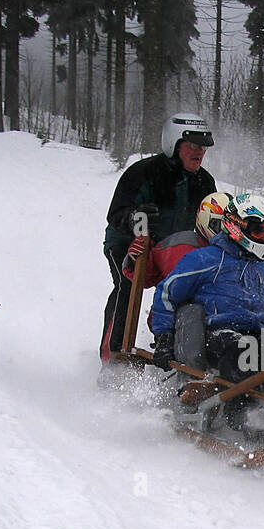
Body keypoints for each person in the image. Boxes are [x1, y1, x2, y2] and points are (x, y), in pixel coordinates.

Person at [150, 193, 264, 443]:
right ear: (238, 225)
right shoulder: (205, 259)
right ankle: (240, 416)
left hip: (258, 336)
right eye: (259, 232)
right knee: (243, 351)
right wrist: (163, 337)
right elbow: (168, 292)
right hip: (218, 335)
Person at [100, 111, 217, 364]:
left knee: (194, 288)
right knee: (127, 286)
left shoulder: (205, 181)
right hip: (127, 243)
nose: (200, 152)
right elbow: (116, 214)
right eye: (193, 146)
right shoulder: (142, 173)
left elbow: (209, 221)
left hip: (174, 248)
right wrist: (136, 219)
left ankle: (175, 351)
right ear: (174, 144)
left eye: (203, 147)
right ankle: (113, 357)